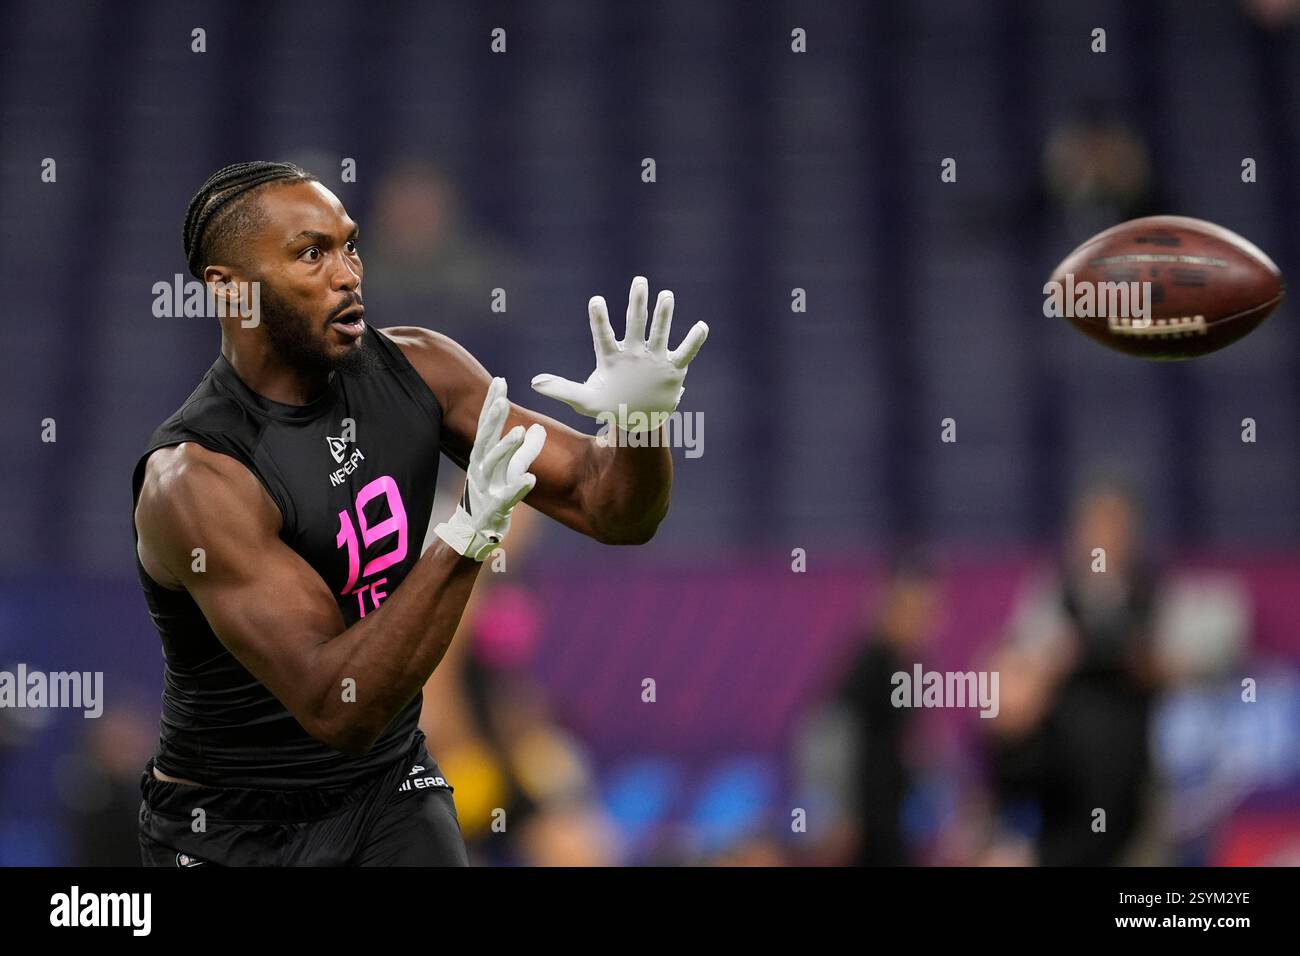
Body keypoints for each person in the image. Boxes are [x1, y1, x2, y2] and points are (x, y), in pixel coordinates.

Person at [131, 161, 708, 866]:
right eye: (312, 253)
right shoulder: (198, 477)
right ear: (231, 290)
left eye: (350, 245)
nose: (347, 274)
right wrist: (465, 538)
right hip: (230, 827)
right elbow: (336, 705)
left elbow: (612, 509)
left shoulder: (420, 370)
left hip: (388, 783)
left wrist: (638, 429)